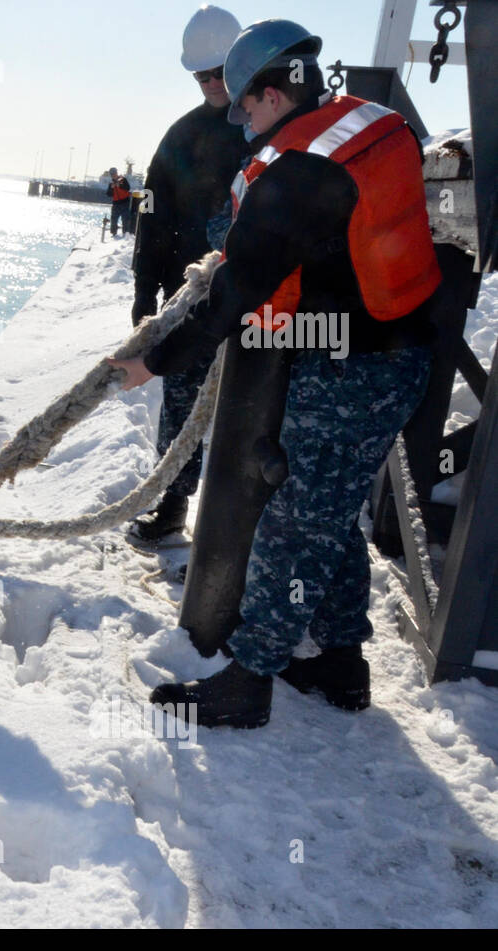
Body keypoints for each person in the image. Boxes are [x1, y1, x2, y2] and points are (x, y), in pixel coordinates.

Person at [109, 19, 441, 728]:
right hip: (404, 351)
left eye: (245, 106)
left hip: (354, 371)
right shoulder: (376, 123)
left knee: (291, 524)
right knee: (330, 507)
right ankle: (342, 661)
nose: (243, 123)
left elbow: (233, 298)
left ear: (269, 94)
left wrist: (151, 360)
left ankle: (247, 679)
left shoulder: (290, 175)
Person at [128, 4, 251, 543]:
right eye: (199, 74)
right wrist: (145, 291)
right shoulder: (182, 137)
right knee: (180, 402)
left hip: (260, 300)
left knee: (252, 411)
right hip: (192, 298)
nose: (209, 83)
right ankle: (173, 504)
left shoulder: (271, 129)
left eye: (218, 72)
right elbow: (152, 217)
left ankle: (241, 525)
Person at [106, 168, 133, 237]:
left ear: (116, 173)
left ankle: (125, 234)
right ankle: (113, 233)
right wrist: (112, 188)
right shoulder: (111, 184)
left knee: (125, 219)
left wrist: (119, 186)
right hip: (116, 204)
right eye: (112, 174)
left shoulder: (123, 180)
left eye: (114, 174)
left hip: (125, 203)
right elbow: (109, 194)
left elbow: (128, 188)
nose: (113, 175)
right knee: (114, 219)